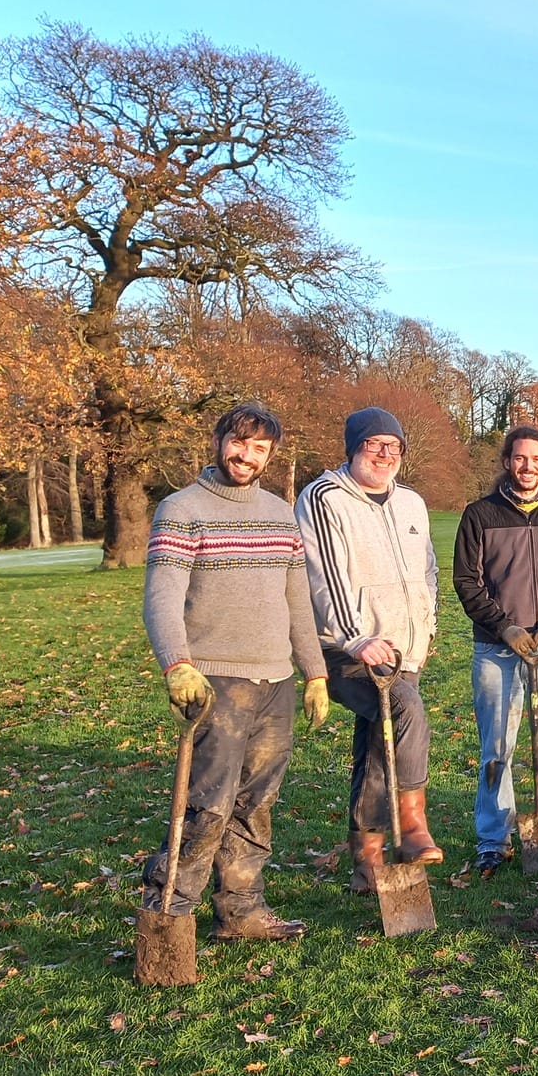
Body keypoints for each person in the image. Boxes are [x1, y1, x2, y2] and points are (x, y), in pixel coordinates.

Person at [141, 402, 328, 940]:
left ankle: (241, 910)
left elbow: (297, 599)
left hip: (276, 683)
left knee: (257, 804)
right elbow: (162, 597)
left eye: (259, 448)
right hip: (216, 682)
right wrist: (177, 665)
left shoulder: (278, 513)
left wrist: (313, 671)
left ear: (271, 453)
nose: (246, 456)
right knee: (208, 804)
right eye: (238, 443)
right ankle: (170, 909)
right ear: (219, 439)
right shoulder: (181, 510)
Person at [296, 407, 443, 893]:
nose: (385, 455)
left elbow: (427, 569)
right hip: (345, 648)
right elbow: (324, 576)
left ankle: (368, 859)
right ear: (354, 447)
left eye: (394, 446)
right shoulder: (324, 498)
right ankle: (412, 821)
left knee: (379, 747)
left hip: (402, 649)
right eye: (374, 444)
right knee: (405, 712)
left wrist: (427, 623)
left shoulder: (412, 503)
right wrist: (355, 638)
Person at [452, 424, 538, 873]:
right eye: (519, 458)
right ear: (507, 461)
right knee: (497, 747)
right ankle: (493, 840)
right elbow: (466, 582)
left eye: (536, 459)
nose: (527, 466)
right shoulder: (480, 515)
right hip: (496, 652)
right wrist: (504, 628)